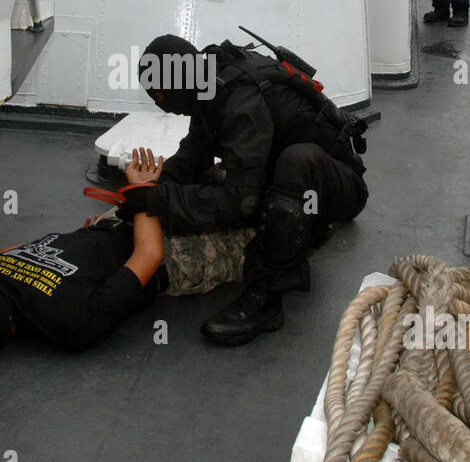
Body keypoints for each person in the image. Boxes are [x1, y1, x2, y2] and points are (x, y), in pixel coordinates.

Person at [133, 34, 368, 346]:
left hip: (340, 189)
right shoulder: (207, 83)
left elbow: (240, 202)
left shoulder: (240, 100)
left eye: (160, 95)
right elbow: (194, 154)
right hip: (294, 179)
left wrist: (159, 201)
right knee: (227, 176)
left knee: (294, 162)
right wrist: (147, 191)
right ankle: (304, 227)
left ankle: (266, 298)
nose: (162, 105)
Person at [0, 149, 173, 363]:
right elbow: (150, 255)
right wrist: (142, 191)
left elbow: (21, 251)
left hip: (111, 226)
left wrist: (140, 194)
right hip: (167, 257)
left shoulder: (69, 321)